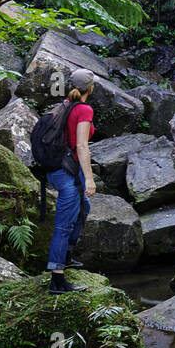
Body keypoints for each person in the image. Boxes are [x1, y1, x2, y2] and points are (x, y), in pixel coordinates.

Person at [47, 68, 98, 294]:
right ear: (91, 88)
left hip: (60, 167)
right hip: (66, 170)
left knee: (83, 207)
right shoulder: (84, 109)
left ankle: (66, 255)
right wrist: (89, 179)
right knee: (63, 224)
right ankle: (57, 280)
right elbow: (81, 146)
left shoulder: (63, 105)